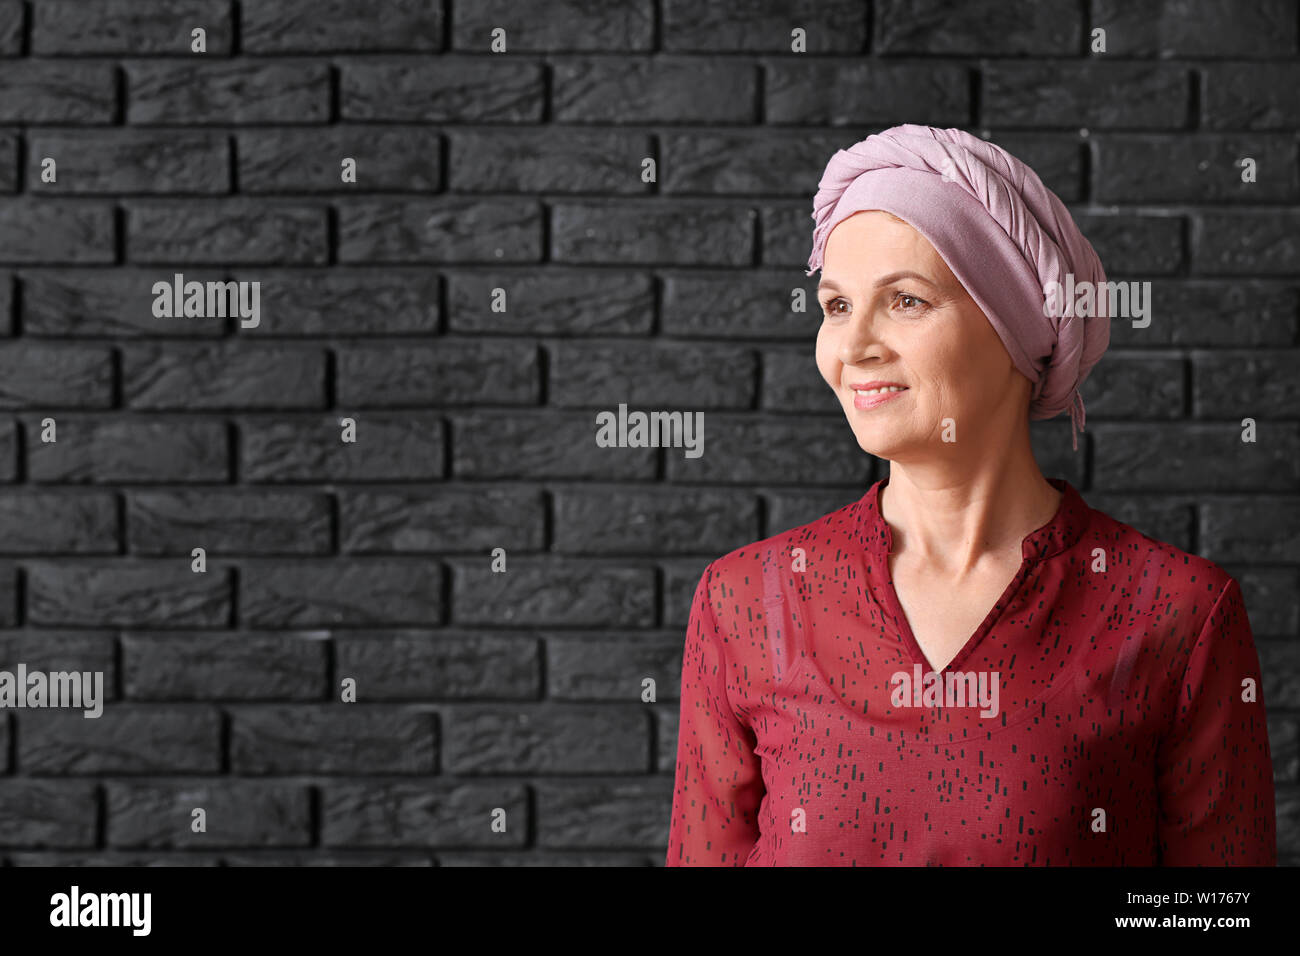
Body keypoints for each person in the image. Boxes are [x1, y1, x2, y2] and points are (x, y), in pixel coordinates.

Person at [665, 125, 1277, 866]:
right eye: (834, 306)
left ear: (1019, 327)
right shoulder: (744, 604)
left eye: (907, 302)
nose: (853, 345)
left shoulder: (1177, 612)